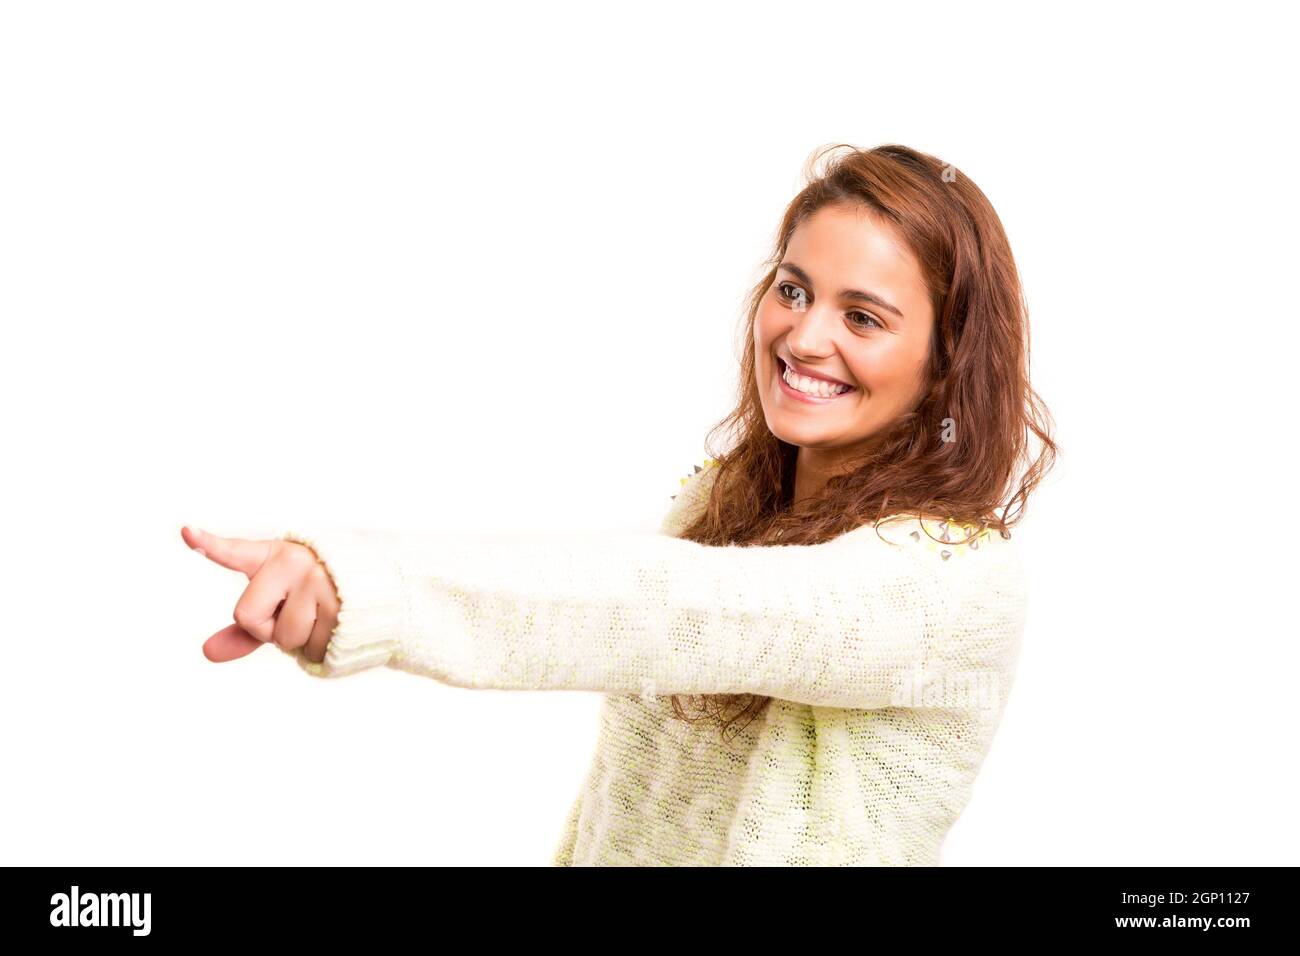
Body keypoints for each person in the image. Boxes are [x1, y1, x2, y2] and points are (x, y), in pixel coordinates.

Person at [183, 142, 1057, 866]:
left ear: (948, 360)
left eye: (862, 317)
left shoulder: (958, 581)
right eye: (793, 290)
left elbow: (675, 608)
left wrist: (369, 590)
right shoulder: (724, 501)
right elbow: (623, 803)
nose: (804, 336)